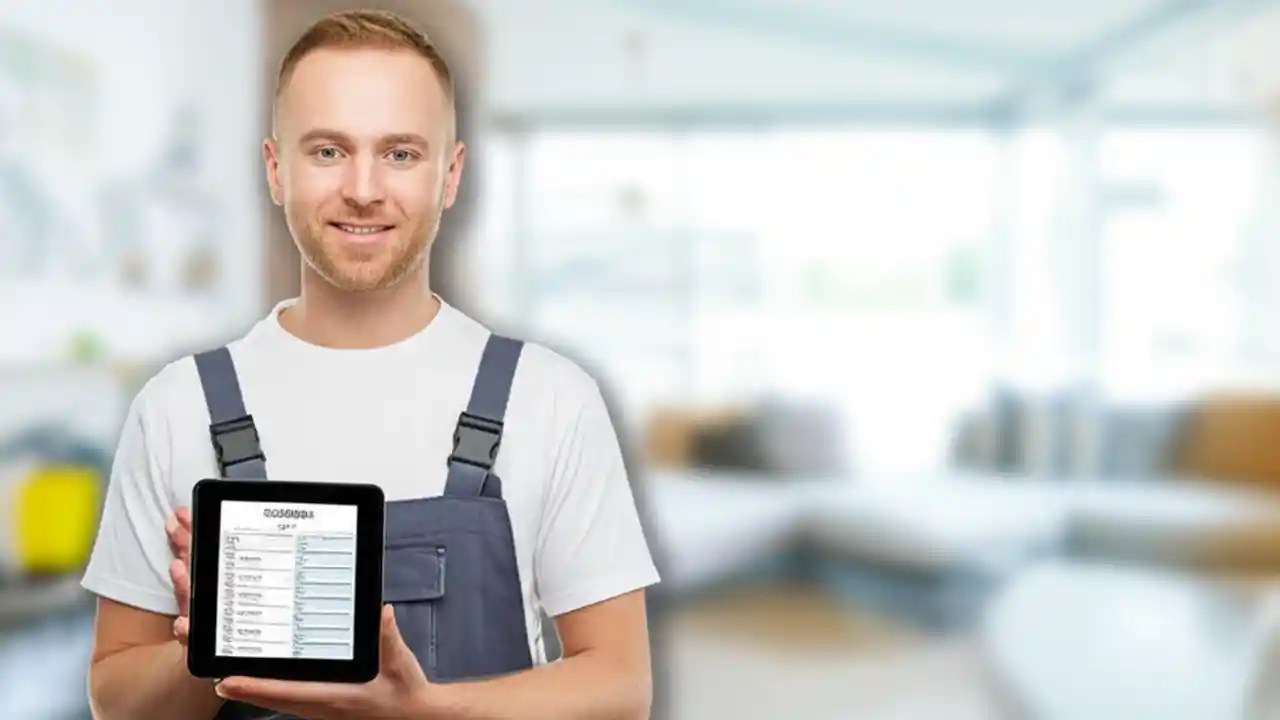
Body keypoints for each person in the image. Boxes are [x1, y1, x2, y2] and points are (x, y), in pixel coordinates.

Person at [81, 9, 660, 720]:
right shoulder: (178, 406)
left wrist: (424, 711)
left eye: (401, 153)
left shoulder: (551, 398)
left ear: (451, 175)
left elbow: (621, 687)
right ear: (275, 169)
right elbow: (114, 700)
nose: (362, 187)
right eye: (327, 151)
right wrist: (205, 648)